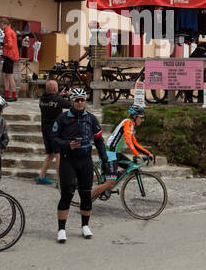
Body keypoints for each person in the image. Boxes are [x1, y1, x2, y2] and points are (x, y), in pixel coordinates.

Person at [50, 87, 110, 243]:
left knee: (86, 194)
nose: (80, 102)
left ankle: (85, 226)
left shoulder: (91, 119)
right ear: (72, 101)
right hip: (68, 159)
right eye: (77, 100)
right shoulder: (62, 118)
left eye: (82, 100)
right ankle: (61, 229)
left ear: (85, 101)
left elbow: (99, 141)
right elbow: (53, 139)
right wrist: (67, 144)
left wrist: (105, 160)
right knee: (67, 193)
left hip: (85, 160)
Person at [91, 104, 153, 202]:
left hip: (116, 154)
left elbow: (135, 143)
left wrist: (148, 153)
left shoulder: (131, 126)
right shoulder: (128, 123)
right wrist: (137, 155)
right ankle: (86, 198)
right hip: (110, 153)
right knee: (110, 184)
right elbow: (128, 141)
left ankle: (112, 177)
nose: (142, 120)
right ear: (135, 117)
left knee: (132, 168)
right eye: (141, 118)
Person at [37, 78, 65, 184]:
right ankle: (60, 180)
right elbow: (69, 104)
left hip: (45, 129)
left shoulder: (42, 99)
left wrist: (59, 96)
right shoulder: (58, 100)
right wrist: (69, 95)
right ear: (55, 89)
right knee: (58, 155)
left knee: (50, 154)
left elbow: (53, 101)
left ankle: (41, 176)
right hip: (55, 131)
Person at [0, 19, 21, 101]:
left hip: (10, 56)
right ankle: (7, 94)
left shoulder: (8, 32)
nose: (1, 27)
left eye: (1, 25)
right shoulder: (9, 31)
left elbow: (10, 45)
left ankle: (14, 95)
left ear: (5, 24)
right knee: (4, 75)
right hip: (8, 55)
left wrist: (3, 44)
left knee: (9, 76)